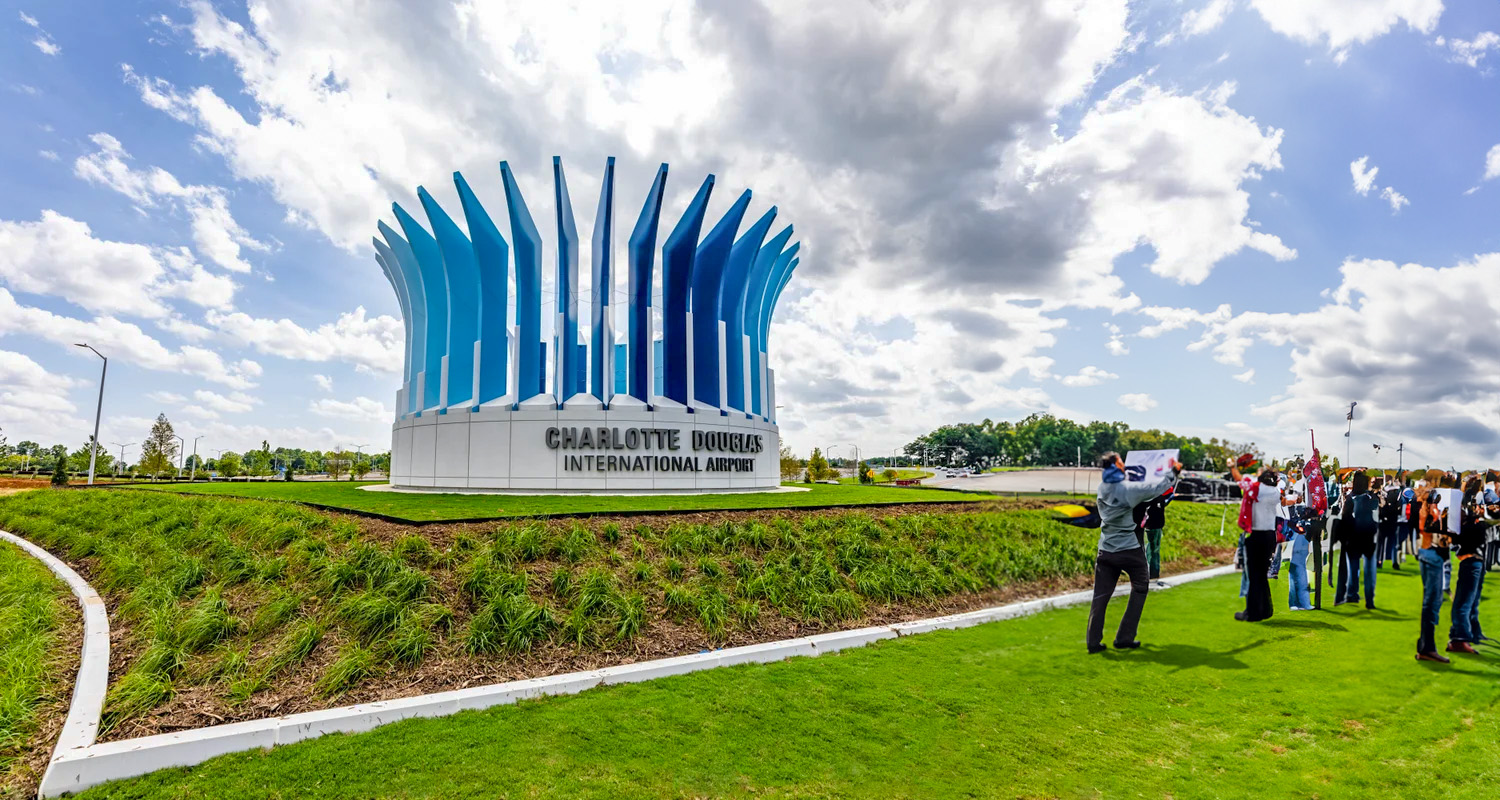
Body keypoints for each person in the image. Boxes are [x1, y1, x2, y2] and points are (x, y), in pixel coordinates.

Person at [1086, 451, 1181, 654]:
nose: (1124, 465)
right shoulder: (1128, 489)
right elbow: (1156, 488)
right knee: (1140, 588)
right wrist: (1173, 471)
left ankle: (1093, 642)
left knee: (1100, 596)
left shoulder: (1102, 487)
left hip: (1105, 549)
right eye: (1121, 462)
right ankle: (1124, 638)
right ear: (1115, 465)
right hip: (1130, 549)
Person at [1231, 460, 1294, 622]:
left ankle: (1253, 613)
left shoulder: (1257, 489)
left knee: (1253, 575)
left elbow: (1239, 480)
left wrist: (1232, 467)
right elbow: (1284, 501)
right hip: (1269, 536)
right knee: (1261, 574)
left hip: (1256, 535)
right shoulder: (1274, 492)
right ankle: (1265, 609)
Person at [1448, 475, 1487, 653]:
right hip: (1474, 560)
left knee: (1464, 602)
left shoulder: (1470, 518)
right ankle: (1462, 637)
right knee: (1466, 602)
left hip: (1472, 559)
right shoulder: (1473, 518)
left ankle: (1463, 636)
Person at [1414, 479, 1452, 663]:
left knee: (1430, 602)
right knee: (1432, 602)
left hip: (1427, 553)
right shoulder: (1430, 511)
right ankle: (1427, 648)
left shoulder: (1424, 510)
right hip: (1432, 555)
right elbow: (1432, 530)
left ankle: (1425, 645)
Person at [1344, 473, 1380, 609]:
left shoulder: (1350, 498)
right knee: (1369, 570)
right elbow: (1377, 514)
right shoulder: (1371, 497)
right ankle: (1369, 599)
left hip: (1352, 537)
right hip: (1368, 537)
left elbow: (1345, 517)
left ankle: (1351, 593)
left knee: (1353, 568)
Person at [1134, 483, 1174, 586]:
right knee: (1154, 551)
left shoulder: (1150, 498)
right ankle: (1153, 574)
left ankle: (1148, 572)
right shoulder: (1156, 498)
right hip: (1154, 527)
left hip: (1149, 526)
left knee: (1149, 550)